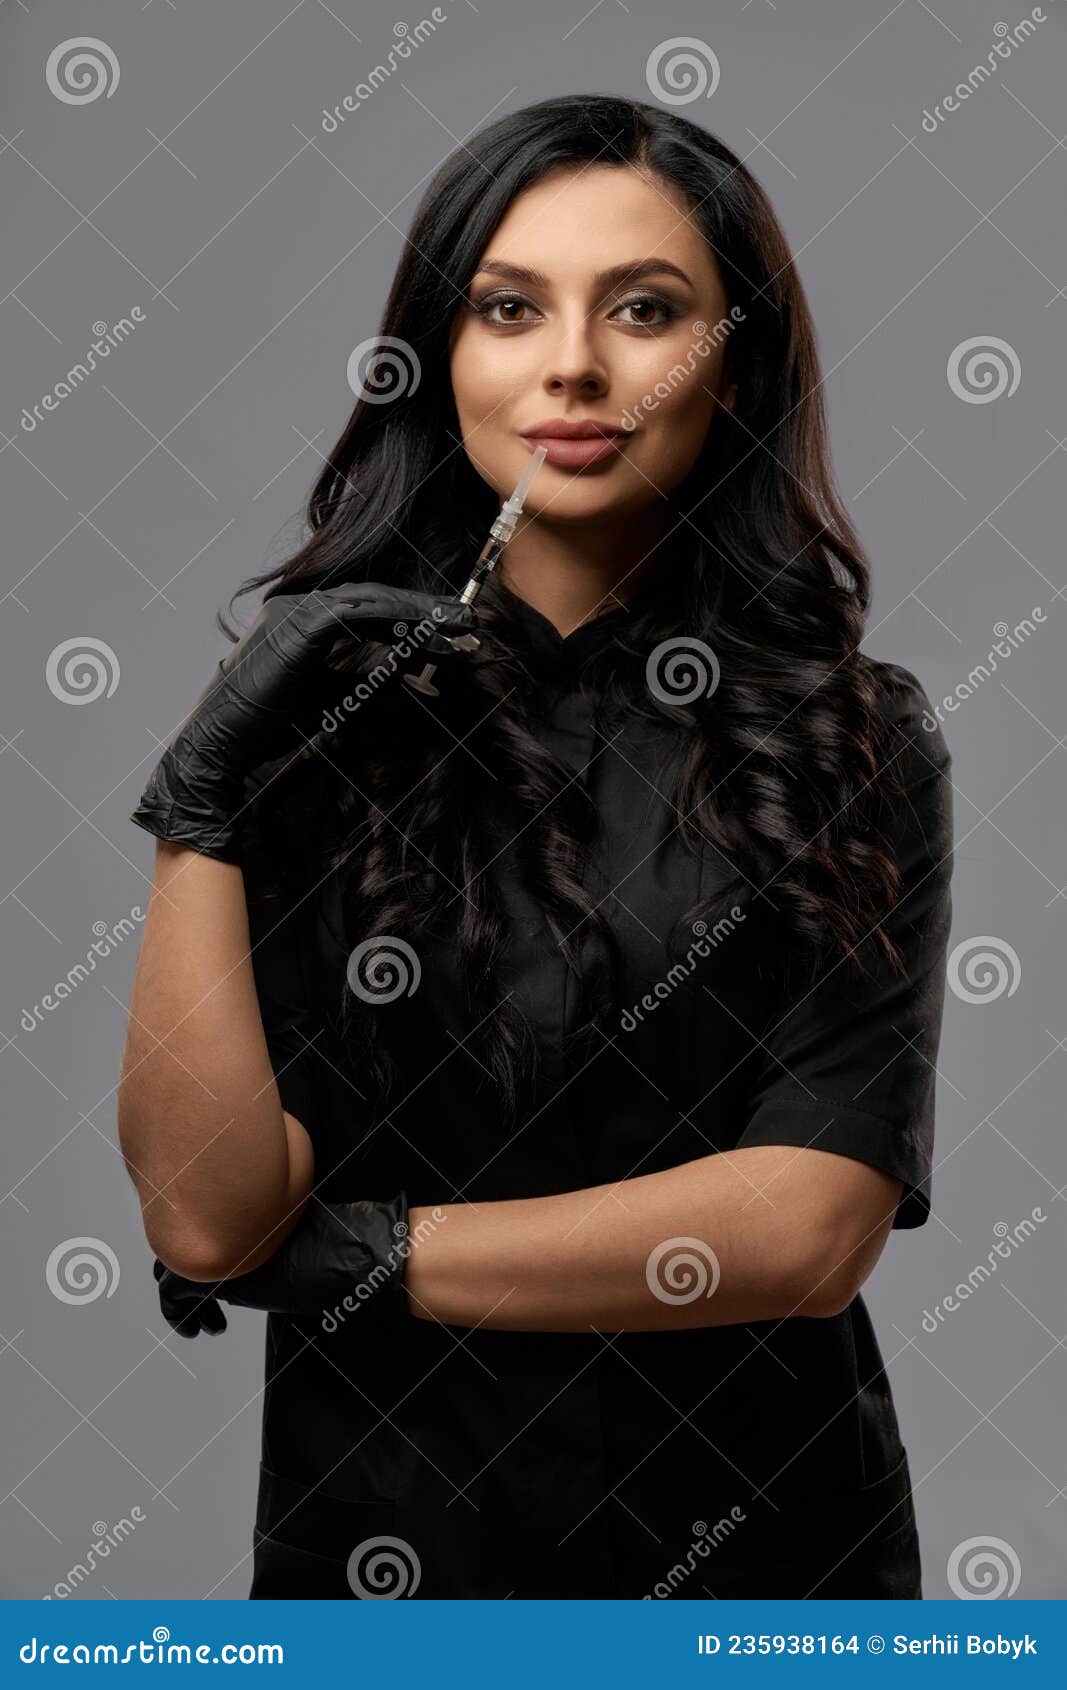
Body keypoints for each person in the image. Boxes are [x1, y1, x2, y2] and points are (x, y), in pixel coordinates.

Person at [118, 93, 954, 1600]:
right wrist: (198, 800)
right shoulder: (317, 720)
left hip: (771, 1574)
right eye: (510, 307)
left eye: (646, 308)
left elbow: (804, 1226)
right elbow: (206, 1211)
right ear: (440, 360)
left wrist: (348, 1258)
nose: (573, 363)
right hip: (389, 1565)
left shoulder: (857, 734)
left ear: (736, 363)